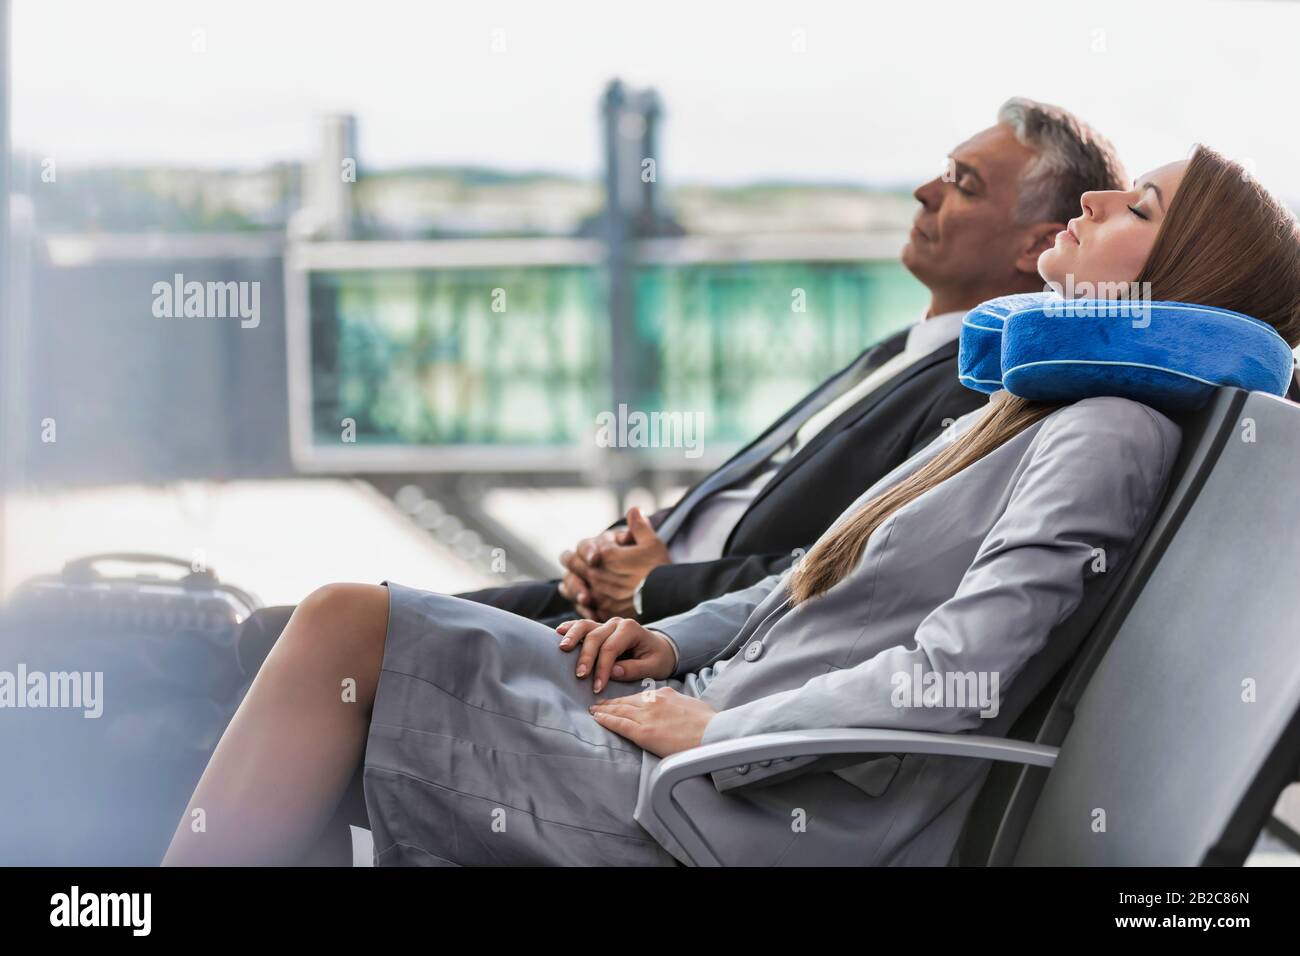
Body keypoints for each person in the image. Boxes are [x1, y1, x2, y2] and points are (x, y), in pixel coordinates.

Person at [163, 145, 1300, 867]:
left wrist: (717, 727)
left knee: (341, 633)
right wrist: (669, 636)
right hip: (732, 734)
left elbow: (968, 672)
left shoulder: (1101, 432)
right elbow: (815, 572)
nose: (1099, 196)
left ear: (1175, 271)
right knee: (346, 651)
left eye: (1136, 202)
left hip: (741, 799)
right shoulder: (1037, 404)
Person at [235, 97, 1127, 673]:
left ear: (1030, 244)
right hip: (622, 599)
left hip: (671, 639)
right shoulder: (904, 345)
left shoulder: (984, 389)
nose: (926, 189)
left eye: (964, 184)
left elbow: (856, 574)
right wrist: (627, 549)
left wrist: (659, 586)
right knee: (277, 638)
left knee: (293, 644)